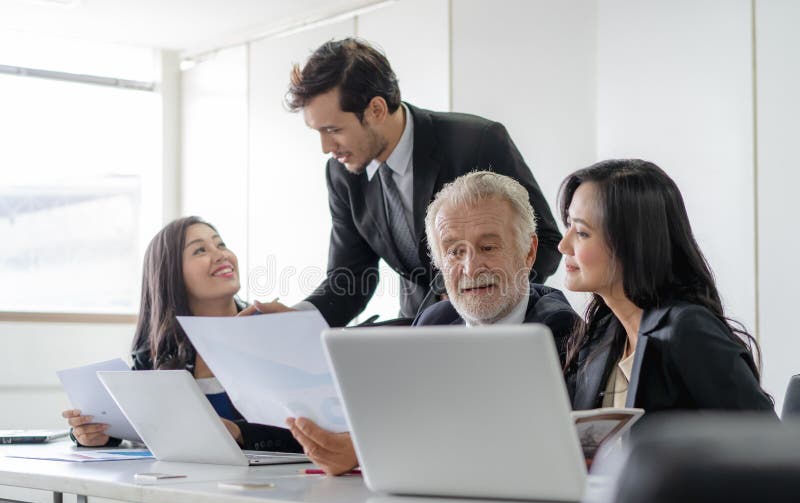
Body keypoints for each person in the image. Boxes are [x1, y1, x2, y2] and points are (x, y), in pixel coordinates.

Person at [286, 171, 580, 475]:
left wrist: (368, 450)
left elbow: (510, 439)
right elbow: (401, 416)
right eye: (455, 252)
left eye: (488, 247)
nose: (471, 267)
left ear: (529, 252)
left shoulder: (558, 330)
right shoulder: (434, 322)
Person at [254, 38, 562, 326]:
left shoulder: (475, 141)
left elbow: (546, 242)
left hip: (497, 326)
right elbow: (350, 277)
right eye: (317, 132)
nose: (325, 147)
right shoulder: (341, 174)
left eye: (333, 130)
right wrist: (295, 320)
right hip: (418, 327)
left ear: (376, 109)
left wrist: (483, 305)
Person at [62, 216, 302, 451]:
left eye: (221, 244)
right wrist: (94, 433)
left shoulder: (273, 330)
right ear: (171, 274)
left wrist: (238, 432)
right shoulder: (156, 351)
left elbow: (325, 431)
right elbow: (134, 421)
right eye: (200, 250)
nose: (221, 255)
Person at [557, 159, 773, 413]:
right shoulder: (602, 333)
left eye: (582, 233)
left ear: (633, 245)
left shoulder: (688, 330)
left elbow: (763, 444)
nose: (563, 245)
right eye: (568, 225)